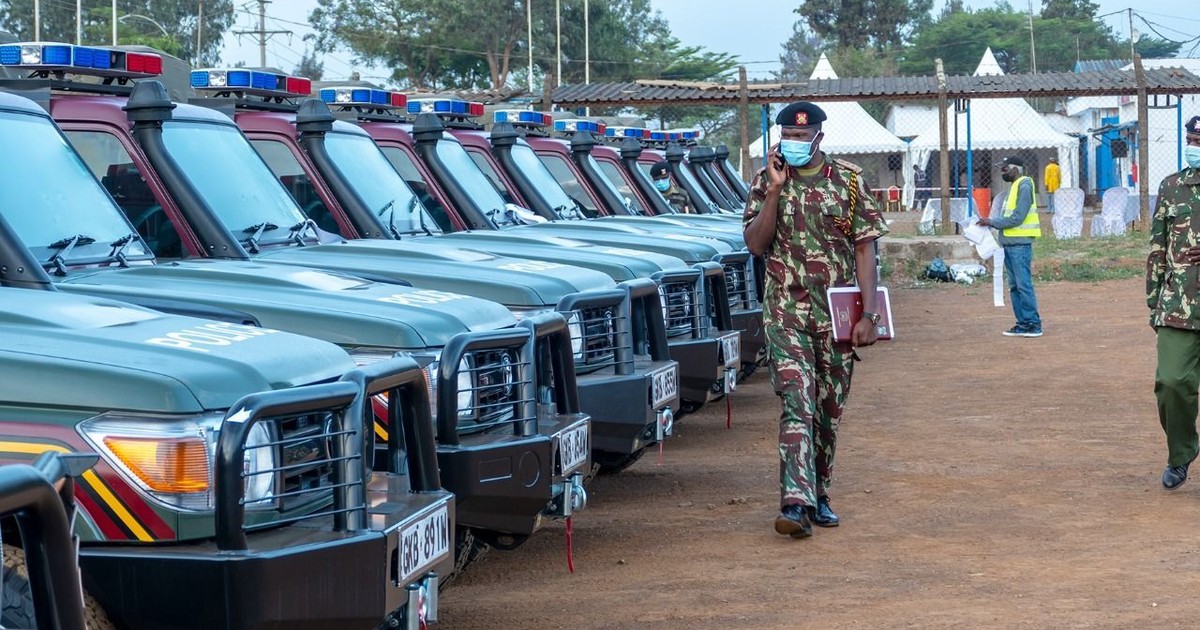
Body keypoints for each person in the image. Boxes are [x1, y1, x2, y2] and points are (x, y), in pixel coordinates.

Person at [742, 101, 888, 539]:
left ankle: (820, 492)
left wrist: (870, 315)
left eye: (803, 137)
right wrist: (774, 192)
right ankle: (794, 503)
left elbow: (865, 249)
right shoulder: (765, 182)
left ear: (819, 138)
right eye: (789, 136)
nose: (795, 143)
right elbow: (754, 244)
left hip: (836, 316)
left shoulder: (848, 180)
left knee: (828, 409)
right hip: (786, 313)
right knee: (796, 401)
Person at [1148, 115, 1200, 490]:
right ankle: (1181, 453)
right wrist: (1155, 304)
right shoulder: (1172, 187)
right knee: (1171, 382)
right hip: (1178, 307)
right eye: (1190, 138)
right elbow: (1157, 248)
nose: (1193, 146)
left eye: (1199, 140)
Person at [978, 156, 1043, 338]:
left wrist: (992, 222)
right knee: (1015, 286)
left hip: (1020, 245)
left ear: (1016, 169)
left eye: (1005, 169)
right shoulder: (1014, 188)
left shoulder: (1024, 186)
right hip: (1011, 245)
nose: (1002, 172)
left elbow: (1018, 218)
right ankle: (1023, 323)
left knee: (1023, 285)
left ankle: (1033, 324)